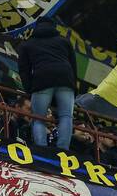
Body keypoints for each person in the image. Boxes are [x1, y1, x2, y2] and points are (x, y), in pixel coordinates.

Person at [17, 19, 77, 152]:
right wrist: (73, 86)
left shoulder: (28, 44)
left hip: (42, 80)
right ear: (54, 26)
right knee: (66, 116)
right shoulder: (64, 41)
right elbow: (73, 65)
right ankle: (63, 150)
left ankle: (41, 149)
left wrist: (29, 89)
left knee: (38, 118)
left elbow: (24, 69)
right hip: (65, 79)